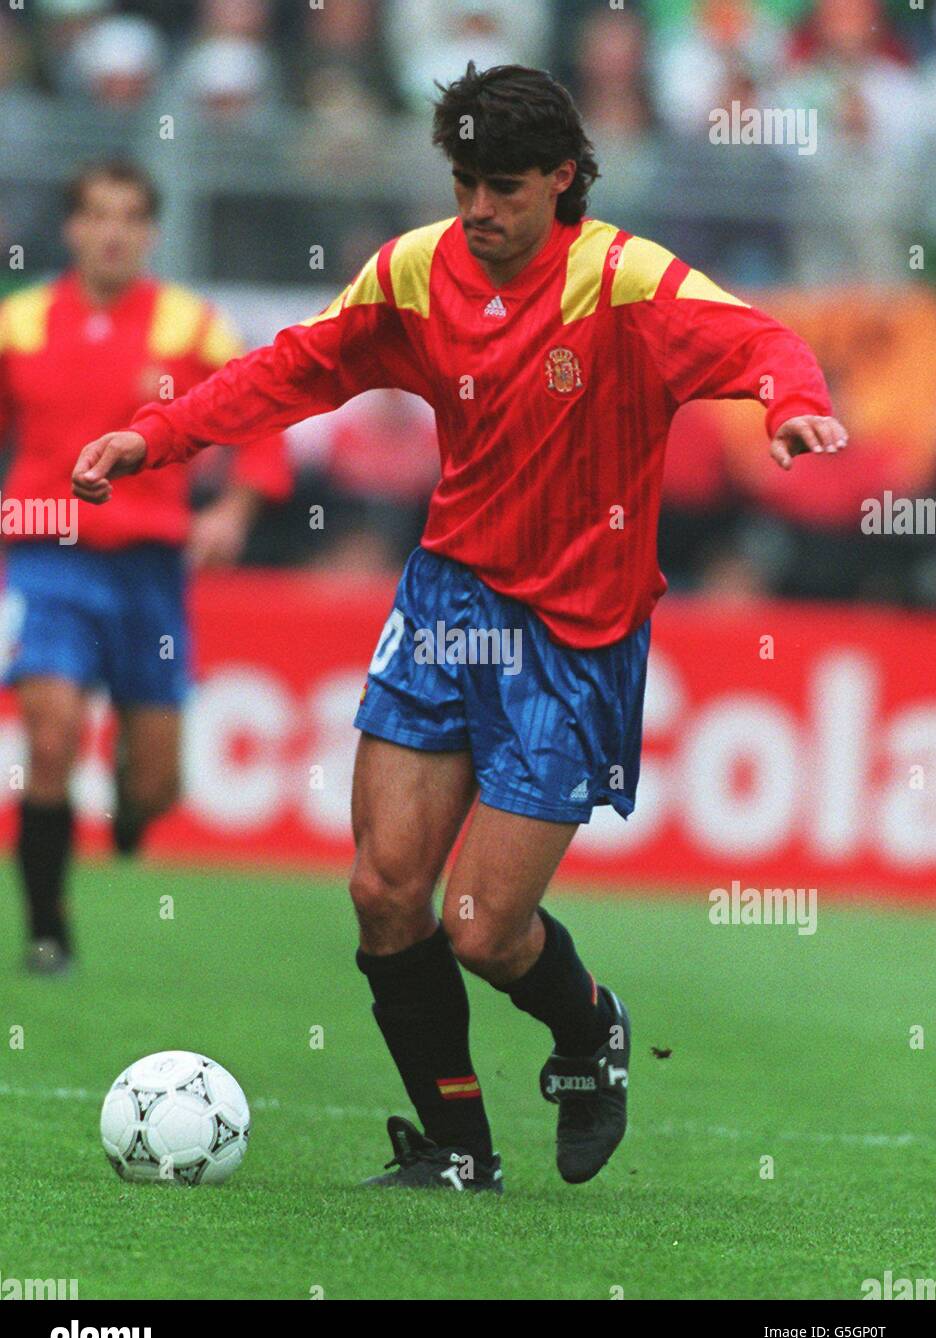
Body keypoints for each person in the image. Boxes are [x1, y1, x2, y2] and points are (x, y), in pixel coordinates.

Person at [72, 67, 847, 1190]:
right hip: (445, 603)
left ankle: (589, 1029)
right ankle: (456, 1148)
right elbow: (292, 368)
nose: (478, 208)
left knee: (482, 928)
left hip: (572, 635)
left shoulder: (626, 281)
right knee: (385, 891)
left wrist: (793, 405)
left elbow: (765, 342)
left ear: (565, 179)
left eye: (505, 188)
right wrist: (156, 438)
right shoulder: (414, 271)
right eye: (465, 182)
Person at [0, 158, 290, 974]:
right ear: (71, 228)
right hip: (46, 559)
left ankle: (132, 816)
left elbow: (260, 418)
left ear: (151, 231)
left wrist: (234, 508)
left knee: (155, 786)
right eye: (97, 214)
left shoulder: (189, 326)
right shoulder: (17, 323)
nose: (113, 230)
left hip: (151, 575)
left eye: (129, 215)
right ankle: (48, 930)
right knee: (51, 738)